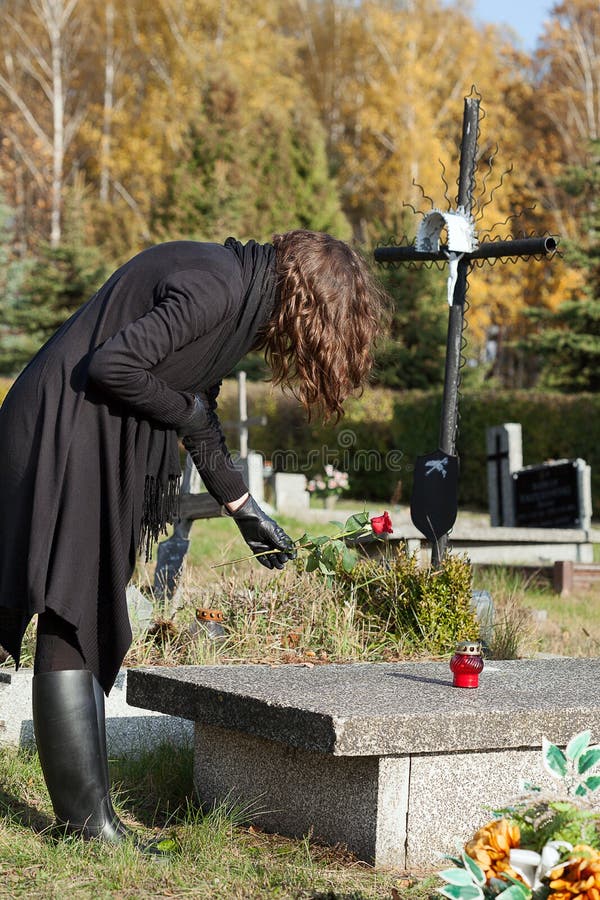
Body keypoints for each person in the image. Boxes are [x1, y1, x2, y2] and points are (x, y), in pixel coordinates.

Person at [0, 229, 386, 850]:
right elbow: (116, 366)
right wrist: (186, 410)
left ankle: (88, 821)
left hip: (82, 436)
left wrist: (243, 508)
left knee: (84, 608)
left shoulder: (235, 295)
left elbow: (196, 410)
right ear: (307, 306)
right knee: (74, 611)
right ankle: (89, 827)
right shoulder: (217, 285)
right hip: (62, 435)